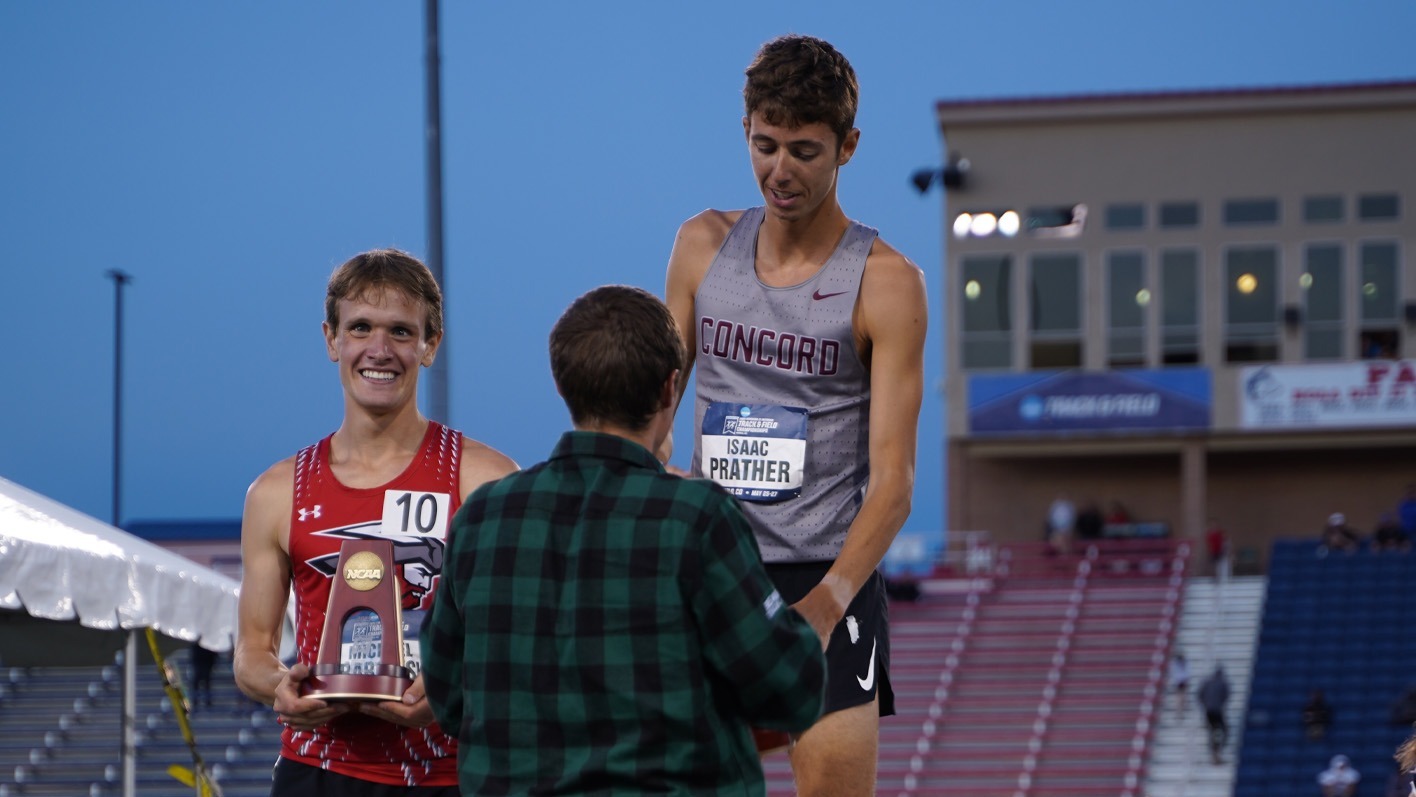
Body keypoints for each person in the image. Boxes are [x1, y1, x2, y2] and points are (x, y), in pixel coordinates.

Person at [420, 285, 826, 795]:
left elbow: (449, 696)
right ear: (670, 389)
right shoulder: (696, 517)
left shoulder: (481, 516)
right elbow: (789, 690)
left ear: (563, 386)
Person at [663, 34, 927, 795]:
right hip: (713, 569)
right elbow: (652, 413)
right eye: (765, 145)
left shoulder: (887, 282)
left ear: (848, 145)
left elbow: (895, 481)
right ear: (745, 131)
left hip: (826, 574)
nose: (781, 170)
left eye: (805, 151)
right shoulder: (700, 245)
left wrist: (830, 599)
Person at [232, 248, 518, 794]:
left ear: (430, 345)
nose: (379, 350)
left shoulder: (487, 480)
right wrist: (281, 687)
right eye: (360, 327)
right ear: (331, 339)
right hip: (320, 772)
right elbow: (251, 652)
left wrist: (453, 686)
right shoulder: (275, 492)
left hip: (450, 774)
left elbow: (519, 639)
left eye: (401, 332)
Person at [1197, 665, 1230, 764]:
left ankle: (1215, 754)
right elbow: (1226, 695)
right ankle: (1216, 754)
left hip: (1208, 711)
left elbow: (1199, 695)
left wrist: (1206, 704)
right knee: (1221, 731)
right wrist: (1219, 704)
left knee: (1214, 731)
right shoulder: (1222, 683)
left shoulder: (1207, 682)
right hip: (1217, 710)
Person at [189, 642, 218, 713]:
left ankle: (204, 701)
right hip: (201, 664)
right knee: (199, 683)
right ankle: (197, 702)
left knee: (204, 683)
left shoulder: (204, 644)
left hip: (204, 664)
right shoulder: (200, 644)